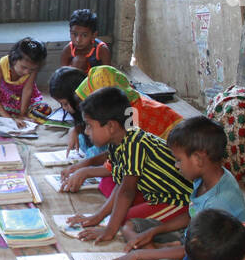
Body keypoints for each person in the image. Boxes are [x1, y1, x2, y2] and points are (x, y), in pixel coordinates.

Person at [107, 115, 245, 260]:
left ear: (198, 159)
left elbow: (197, 250)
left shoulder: (219, 202)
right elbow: (192, 216)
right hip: (193, 237)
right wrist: (155, 230)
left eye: (179, 160)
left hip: (211, 255)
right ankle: (160, 250)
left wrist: (137, 254)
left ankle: (160, 255)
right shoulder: (204, 178)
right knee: (131, 227)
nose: (176, 165)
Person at [67, 86, 192, 243]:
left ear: (111, 126)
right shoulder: (118, 141)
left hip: (178, 201)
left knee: (126, 220)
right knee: (119, 209)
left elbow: (126, 192)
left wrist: (110, 230)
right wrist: (97, 217)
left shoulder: (134, 144)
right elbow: (121, 185)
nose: (86, 131)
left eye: (90, 126)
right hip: (155, 192)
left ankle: (173, 236)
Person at [57, 66, 183, 193]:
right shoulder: (124, 112)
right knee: (108, 182)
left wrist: (86, 170)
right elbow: (117, 153)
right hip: (140, 162)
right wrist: (85, 165)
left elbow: (126, 163)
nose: (86, 129)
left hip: (171, 171)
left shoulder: (133, 118)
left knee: (113, 184)